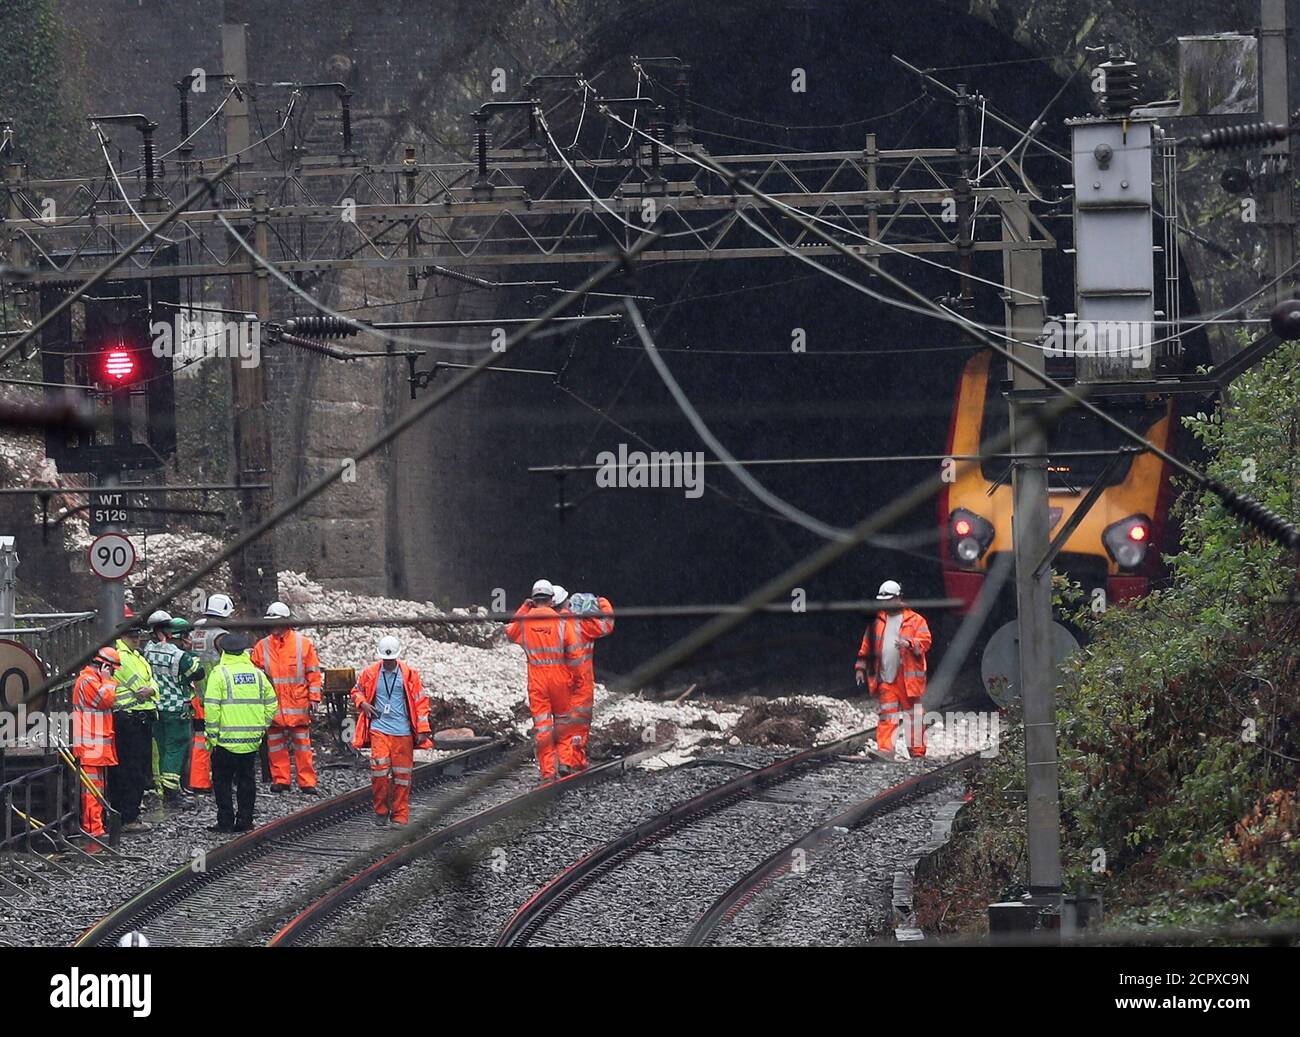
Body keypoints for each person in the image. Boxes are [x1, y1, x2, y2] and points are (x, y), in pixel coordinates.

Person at [505, 579, 584, 783]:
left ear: (533, 599)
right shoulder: (561, 623)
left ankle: (547, 771)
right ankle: (565, 762)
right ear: (551, 600)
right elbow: (575, 654)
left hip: (537, 678)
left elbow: (509, 632)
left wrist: (524, 607)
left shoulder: (524, 622)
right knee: (564, 721)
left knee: (543, 728)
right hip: (559, 677)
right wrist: (576, 678)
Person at [350, 636, 432, 825]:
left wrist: (422, 729)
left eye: (390, 659)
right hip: (379, 730)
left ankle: (400, 815)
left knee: (402, 776)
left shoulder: (409, 674)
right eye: (384, 659)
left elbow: (421, 703)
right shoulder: (370, 673)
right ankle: (381, 810)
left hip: (402, 733)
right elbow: (356, 691)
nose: (387, 662)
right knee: (379, 770)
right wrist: (362, 704)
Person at [203, 633, 278, 833]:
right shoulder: (257, 674)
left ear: (224, 652)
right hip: (251, 741)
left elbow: (211, 708)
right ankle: (245, 820)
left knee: (222, 781)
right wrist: (261, 726)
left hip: (225, 741)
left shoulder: (219, 674)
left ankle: (225, 821)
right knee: (247, 780)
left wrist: (212, 736)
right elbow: (272, 703)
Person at [251, 601, 324, 795]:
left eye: (276, 621)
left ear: (285, 622)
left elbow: (313, 673)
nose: (273, 626)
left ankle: (307, 782)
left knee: (303, 746)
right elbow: (256, 676)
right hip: (273, 707)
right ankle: (281, 780)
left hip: (298, 705)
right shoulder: (262, 647)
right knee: (276, 746)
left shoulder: (303, 644)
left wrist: (314, 698)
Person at [854, 580, 932, 758]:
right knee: (887, 716)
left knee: (914, 717)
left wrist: (910, 643)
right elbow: (867, 647)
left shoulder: (915, 620)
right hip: (885, 678)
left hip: (907, 680)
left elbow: (926, 640)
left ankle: (917, 752)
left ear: (898, 598)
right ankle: (885, 751)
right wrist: (860, 668)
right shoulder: (877, 622)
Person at [143, 610, 202, 809]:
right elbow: (197, 673)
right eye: (186, 635)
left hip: (156, 707)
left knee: (162, 748)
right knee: (175, 749)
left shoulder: (148, 650)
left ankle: (164, 788)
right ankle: (172, 793)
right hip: (176, 708)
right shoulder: (179, 656)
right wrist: (191, 652)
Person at [555, 586, 615, 772]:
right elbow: (607, 624)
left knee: (562, 719)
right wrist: (601, 601)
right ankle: (575, 759)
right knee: (580, 721)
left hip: (558, 678)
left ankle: (562, 758)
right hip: (581, 679)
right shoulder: (584, 624)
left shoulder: (553, 623)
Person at [109, 620, 158, 833]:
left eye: (138, 636)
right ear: (123, 637)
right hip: (128, 719)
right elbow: (140, 685)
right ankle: (128, 816)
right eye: (133, 636)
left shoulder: (137, 655)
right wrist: (151, 689)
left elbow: (153, 683)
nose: (137, 639)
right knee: (131, 769)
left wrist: (153, 689)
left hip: (140, 717)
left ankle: (129, 813)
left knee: (137, 769)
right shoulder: (121, 657)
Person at [72, 647, 120, 840]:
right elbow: (105, 701)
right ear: (105, 665)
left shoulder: (94, 680)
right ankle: (93, 828)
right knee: (92, 790)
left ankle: (96, 826)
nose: (114, 673)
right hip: (90, 746)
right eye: (112, 669)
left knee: (96, 789)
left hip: (95, 745)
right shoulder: (87, 681)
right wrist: (108, 680)